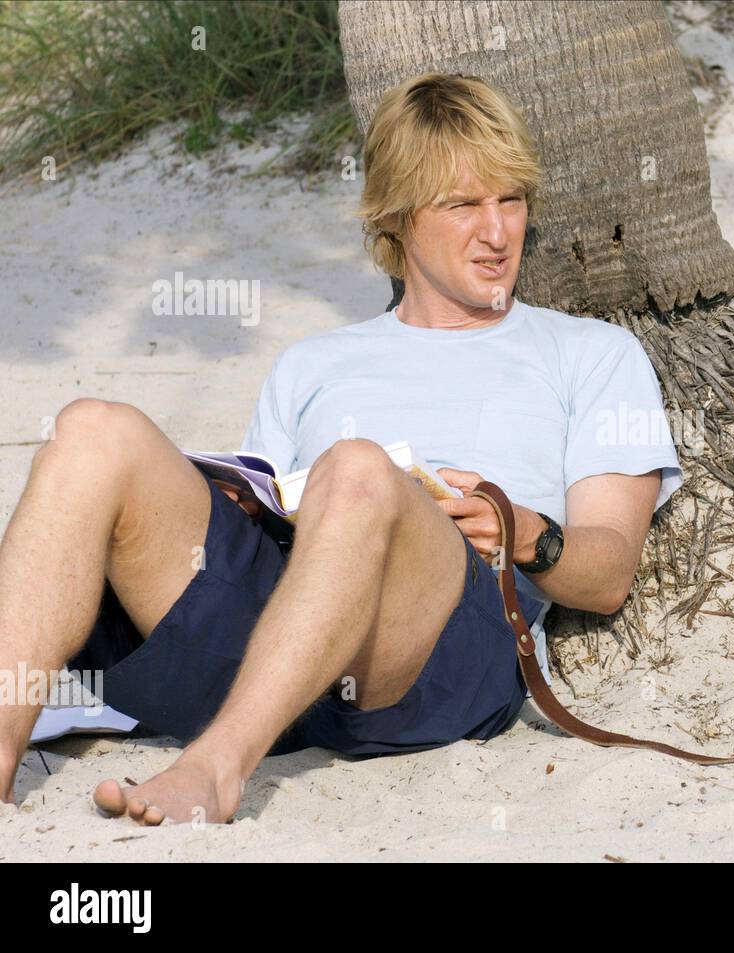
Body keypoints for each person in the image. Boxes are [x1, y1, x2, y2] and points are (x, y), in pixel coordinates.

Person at [0, 72, 682, 825]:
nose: (498, 231)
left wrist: (528, 533)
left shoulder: (590, 353)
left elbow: (611, 571)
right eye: (463, 204)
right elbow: (260, 501)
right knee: (92, 428)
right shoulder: (313, 363)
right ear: (395, 218)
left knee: (358, 469)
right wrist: (232, 506)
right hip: (283, 642)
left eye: (511, 199)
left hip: (435, 648)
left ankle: (217, 767)